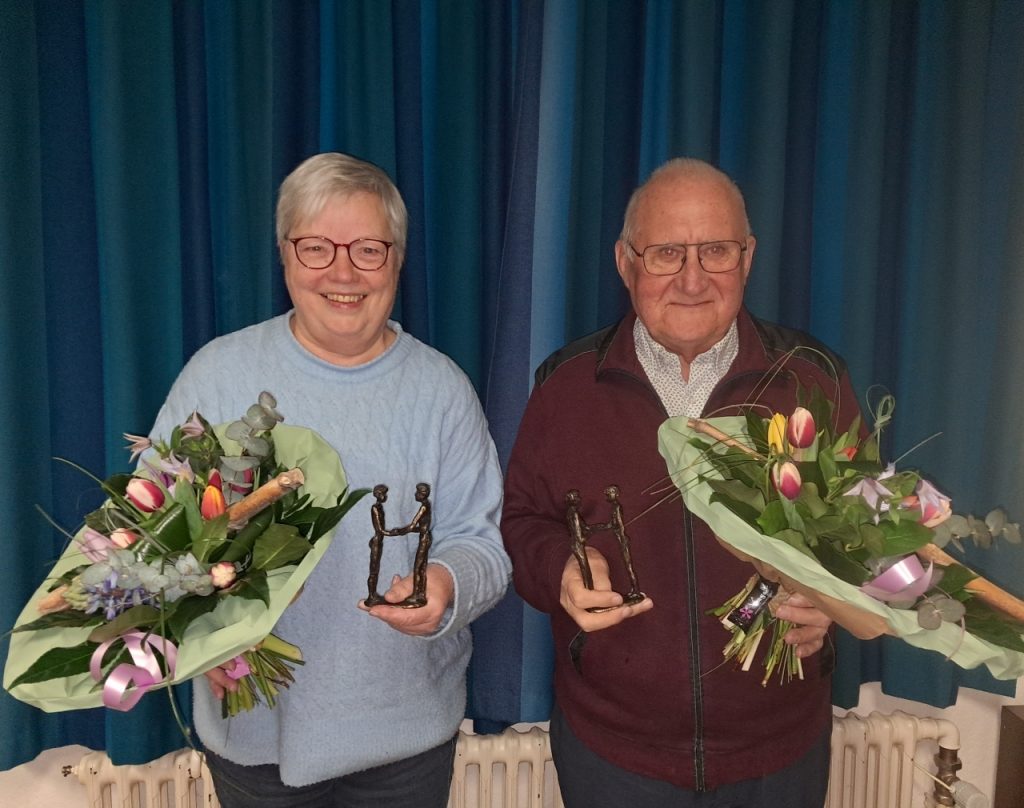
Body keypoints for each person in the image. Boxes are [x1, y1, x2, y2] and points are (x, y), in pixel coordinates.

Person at [147, 152, 511, 807]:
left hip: (405, 746)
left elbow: (483, 543)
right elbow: (152, 530)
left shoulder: (440, 390)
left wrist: (446, 585)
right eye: (317, 247)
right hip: (253, 739)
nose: (343, 272)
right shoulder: (217, 376)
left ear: (397, 260)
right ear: (285, 255)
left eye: (369, 249)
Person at [502, 157, 862, 807]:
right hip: (613, 754)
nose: (692, 279)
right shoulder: (565, 387)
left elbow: (868, 536)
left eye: (716, 251)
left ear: (748, 257)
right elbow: (523, 519)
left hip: (779, 752)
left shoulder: (814, 379)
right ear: (625, 262)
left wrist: (834, 601)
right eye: (666, 252)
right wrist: (558, 566)